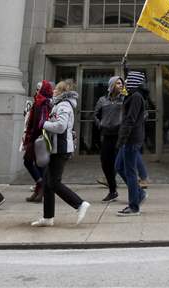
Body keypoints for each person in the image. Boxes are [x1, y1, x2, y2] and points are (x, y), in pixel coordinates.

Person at [32, 80, 90, 227]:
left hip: (61, 149)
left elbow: (60, 127)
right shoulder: (59, 104)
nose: (53, 91)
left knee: (53, 182)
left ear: (63, 92)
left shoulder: (64, 105)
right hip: (57, 148)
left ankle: (80, 204)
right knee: (47, 183)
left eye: (56, 89)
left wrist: (43, 123)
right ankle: (48, 217)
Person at [116, 71, 148, 216]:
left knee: (130, 172)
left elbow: (130, 119)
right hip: (128, 138)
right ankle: (139, 193)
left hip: (131, 139)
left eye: (128, 80)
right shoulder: (130, 95)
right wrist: (125, 64)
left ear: (134, 82)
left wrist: (122, 139)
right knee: (119, 166)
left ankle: (134, 206)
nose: (125, 82)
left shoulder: (136, 97)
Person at [22, 80, 54, 203]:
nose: (37, 91)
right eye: (36, 89)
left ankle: (41, 187)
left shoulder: (43, 103)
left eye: (39, 89)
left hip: (38, 137)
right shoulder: (38, 102)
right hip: (34, 136)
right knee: (32, 162)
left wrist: (33, 135)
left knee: (36, 163)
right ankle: (40, 186)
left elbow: (41, 121)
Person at [94, 76, 124, 202]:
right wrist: (100, 124)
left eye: (121, 83)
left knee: (119, 164)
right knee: (105, 163)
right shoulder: (102, 100)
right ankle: (112, 191)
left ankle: (137, 191)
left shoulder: (125, 99)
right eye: (118, 83)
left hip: (120, 135)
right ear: (111, 86)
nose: (120, 85)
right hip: (106, 134)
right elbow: (95, 114)